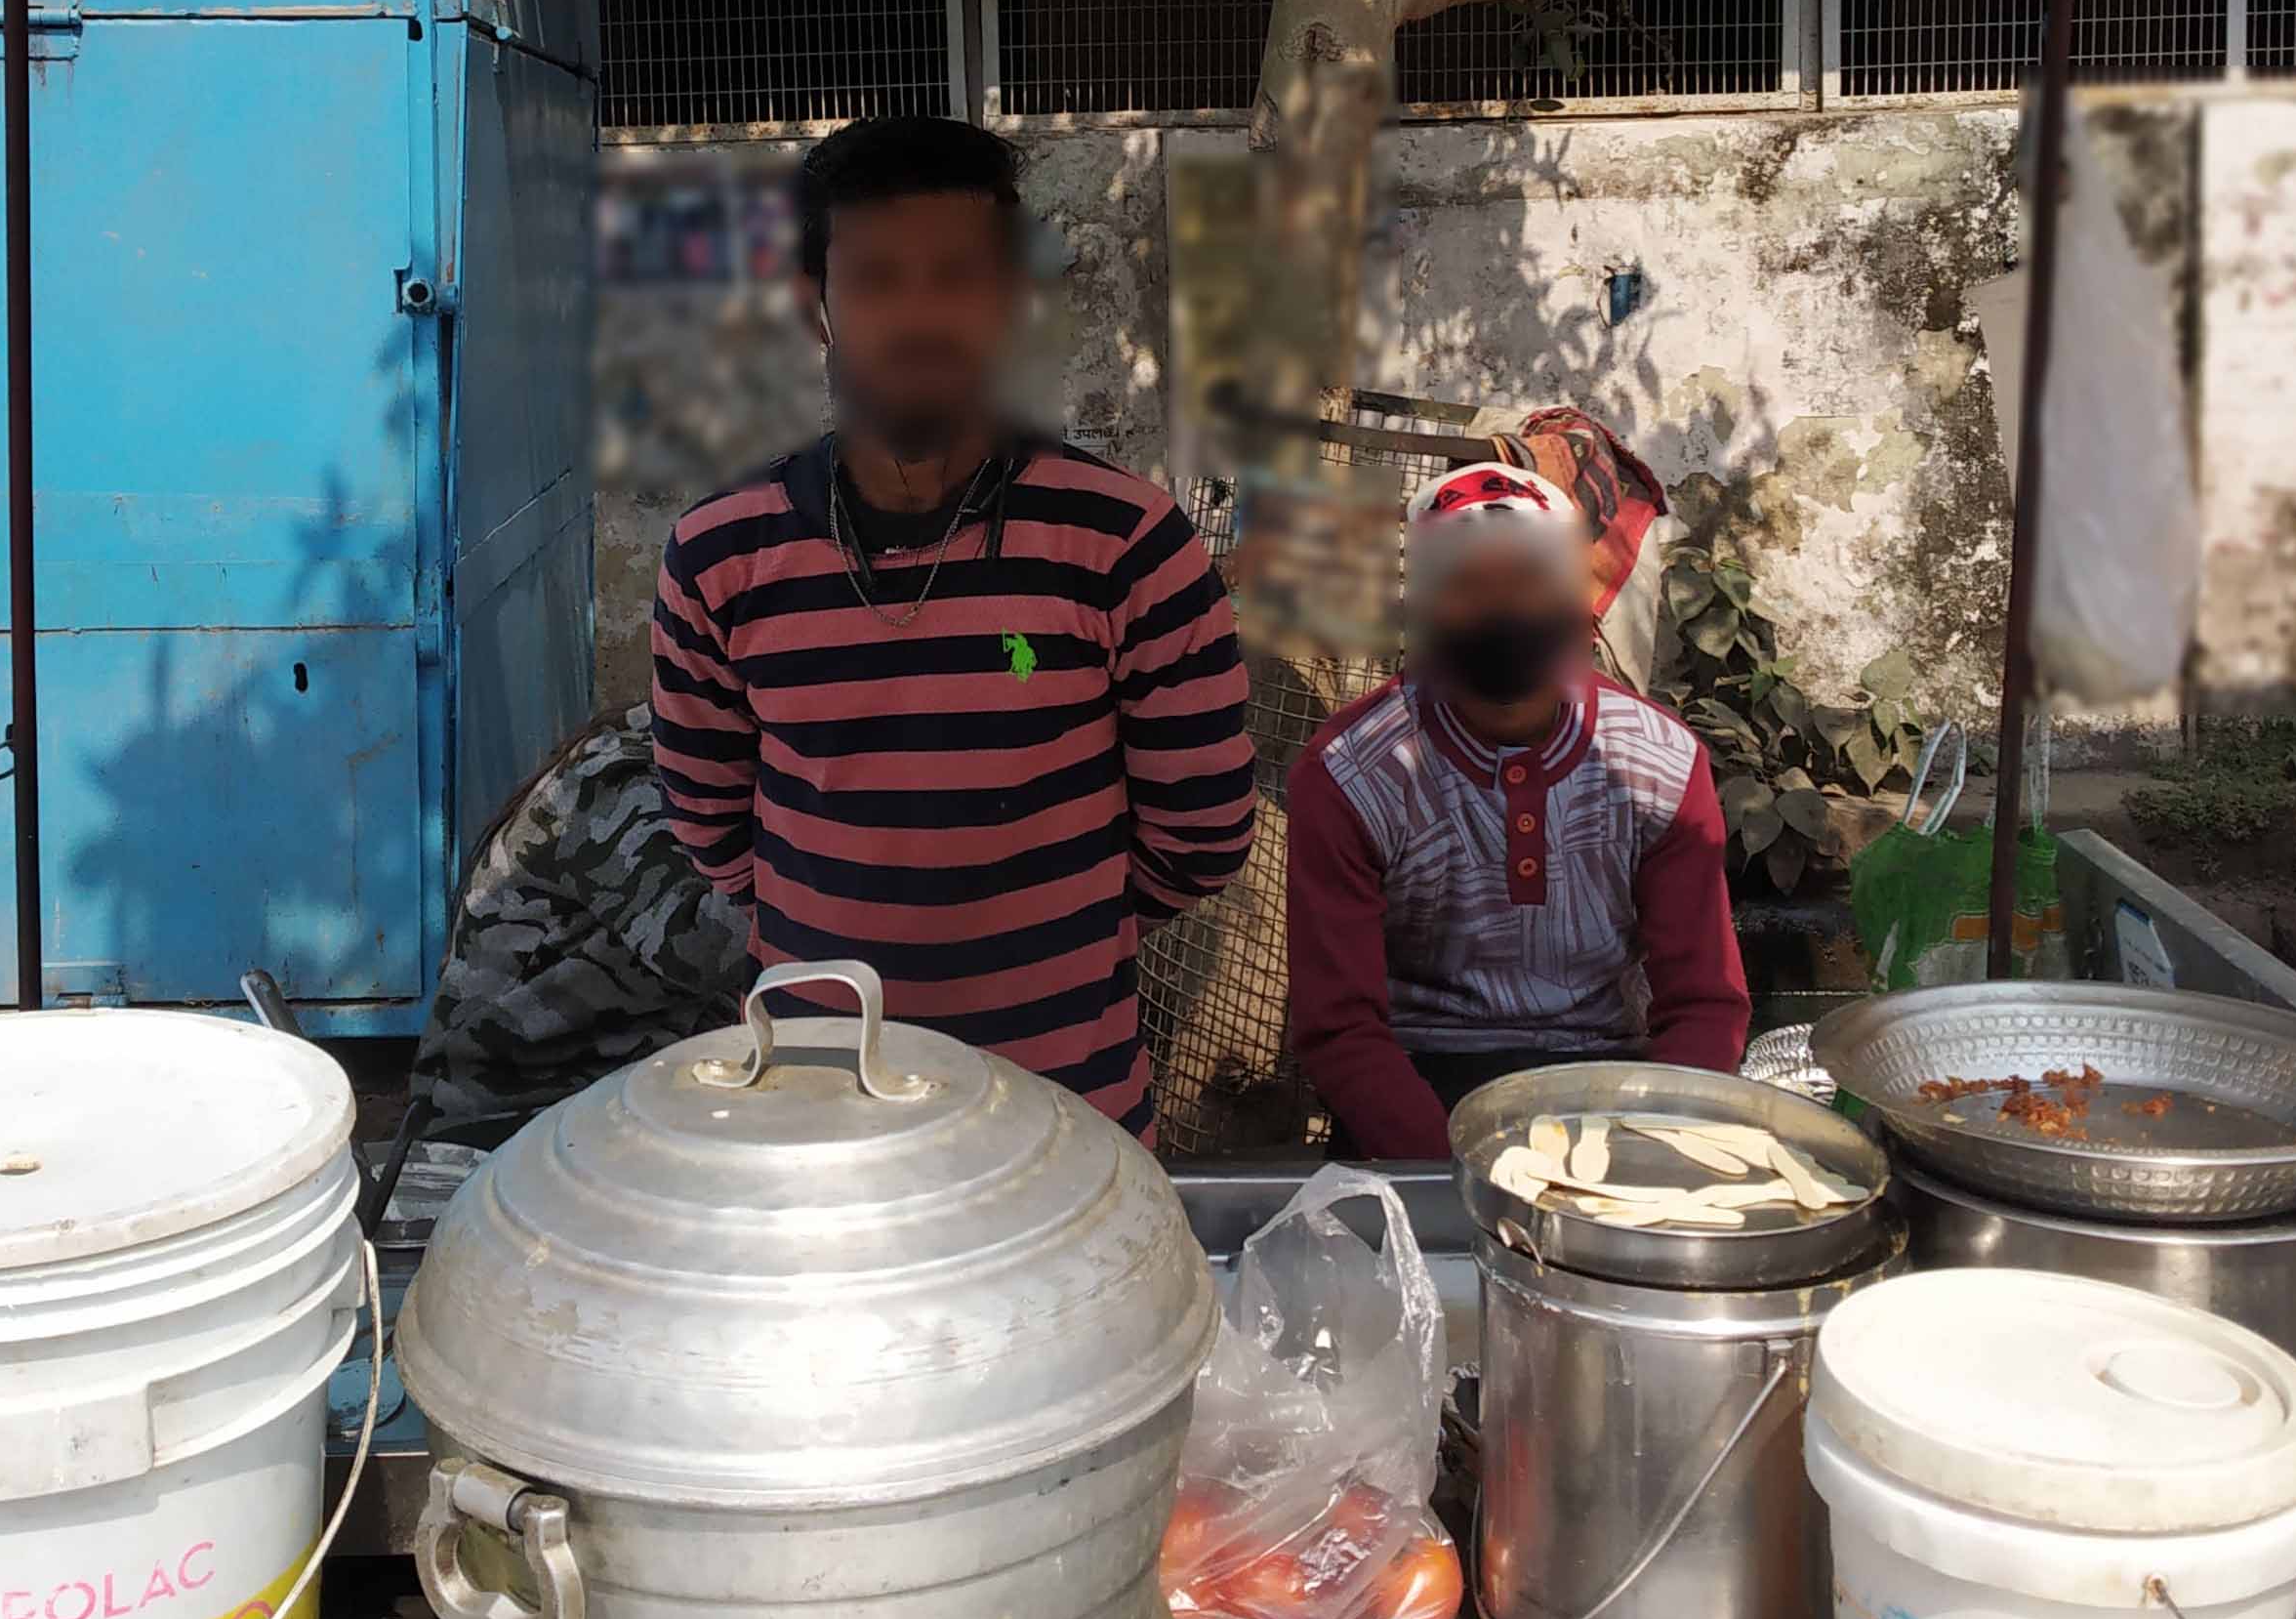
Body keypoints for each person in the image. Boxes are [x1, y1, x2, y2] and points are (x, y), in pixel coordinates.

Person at [649, 114, 1256, 1132]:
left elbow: (1202, 833)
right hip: (818, 1112)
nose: (920, 315)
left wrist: (1055, 940)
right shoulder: (720, 556)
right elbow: (712, 821)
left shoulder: (1127, 542)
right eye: (879, 279)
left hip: (1069, 1115)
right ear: (817, 309)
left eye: (957, 276)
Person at [1285, 461, 1752, 1161]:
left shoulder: (1662, 764)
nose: (1504, 610)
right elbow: (1341, 1029)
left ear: (1578, 598)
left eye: (1531, 581)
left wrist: (1642, 1151)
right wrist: (1459, 1173)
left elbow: (1705, 1004)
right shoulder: (1352, 775)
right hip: (1416, 1094)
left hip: (1608, 1090)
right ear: (1422, 610)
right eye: (1469, 586)